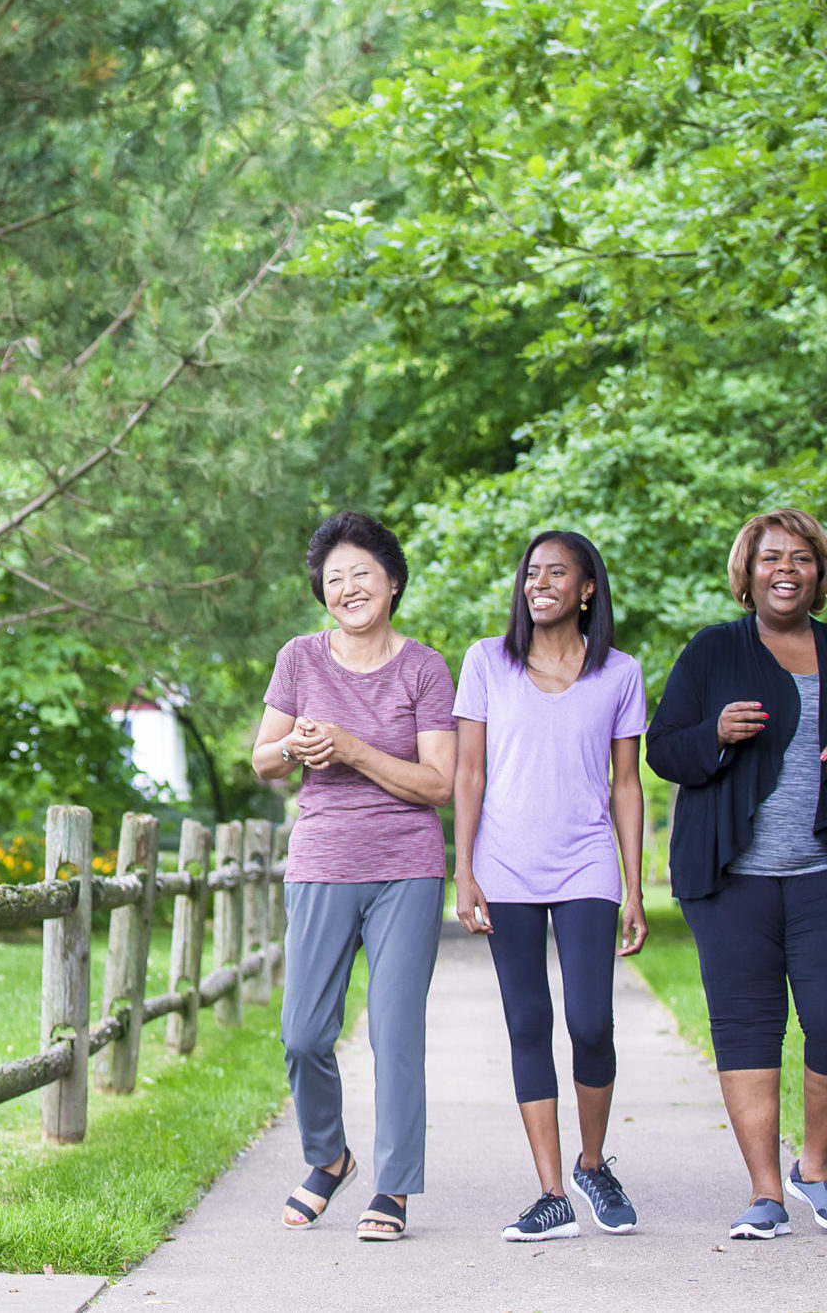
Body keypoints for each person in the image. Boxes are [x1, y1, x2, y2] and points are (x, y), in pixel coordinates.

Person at [647, 509, 827, 1241]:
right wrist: (716, 735)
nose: (785, 569)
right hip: (731, 877)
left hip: (826, 870)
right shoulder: (711, 653)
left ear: (820, 573)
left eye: (801, 557)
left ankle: (815, 1169)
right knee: (748, 1028)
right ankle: (766, 1192)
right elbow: (664, 750)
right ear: (748, 571)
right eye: (770, 558)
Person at [253, 511, 457, 1242]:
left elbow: (439, 784)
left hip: (405, 867)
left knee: (395, 1033)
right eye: (334, 579)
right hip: (321, 863)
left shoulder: (424, 668)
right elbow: (262, 759)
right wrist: (299, 750)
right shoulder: (300, 659)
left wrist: (352, 747)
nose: (348, 588)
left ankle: (394, 1188)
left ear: (393, 582)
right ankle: (329, 1157)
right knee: (304, 1033)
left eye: (361, 574)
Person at [452, 530, 649, 1243]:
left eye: (557, 573)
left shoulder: (620, 673)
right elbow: (467, 773)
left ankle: (595, 1163)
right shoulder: (486, 662)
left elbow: (627, 785)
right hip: (504, 863)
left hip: (586, 862)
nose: (540, 583)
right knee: (528, 1023)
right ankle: (552, 1191)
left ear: (587, 588)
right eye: (532, 572)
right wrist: (464, 868)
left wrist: (634, 887)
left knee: (591, 1022)